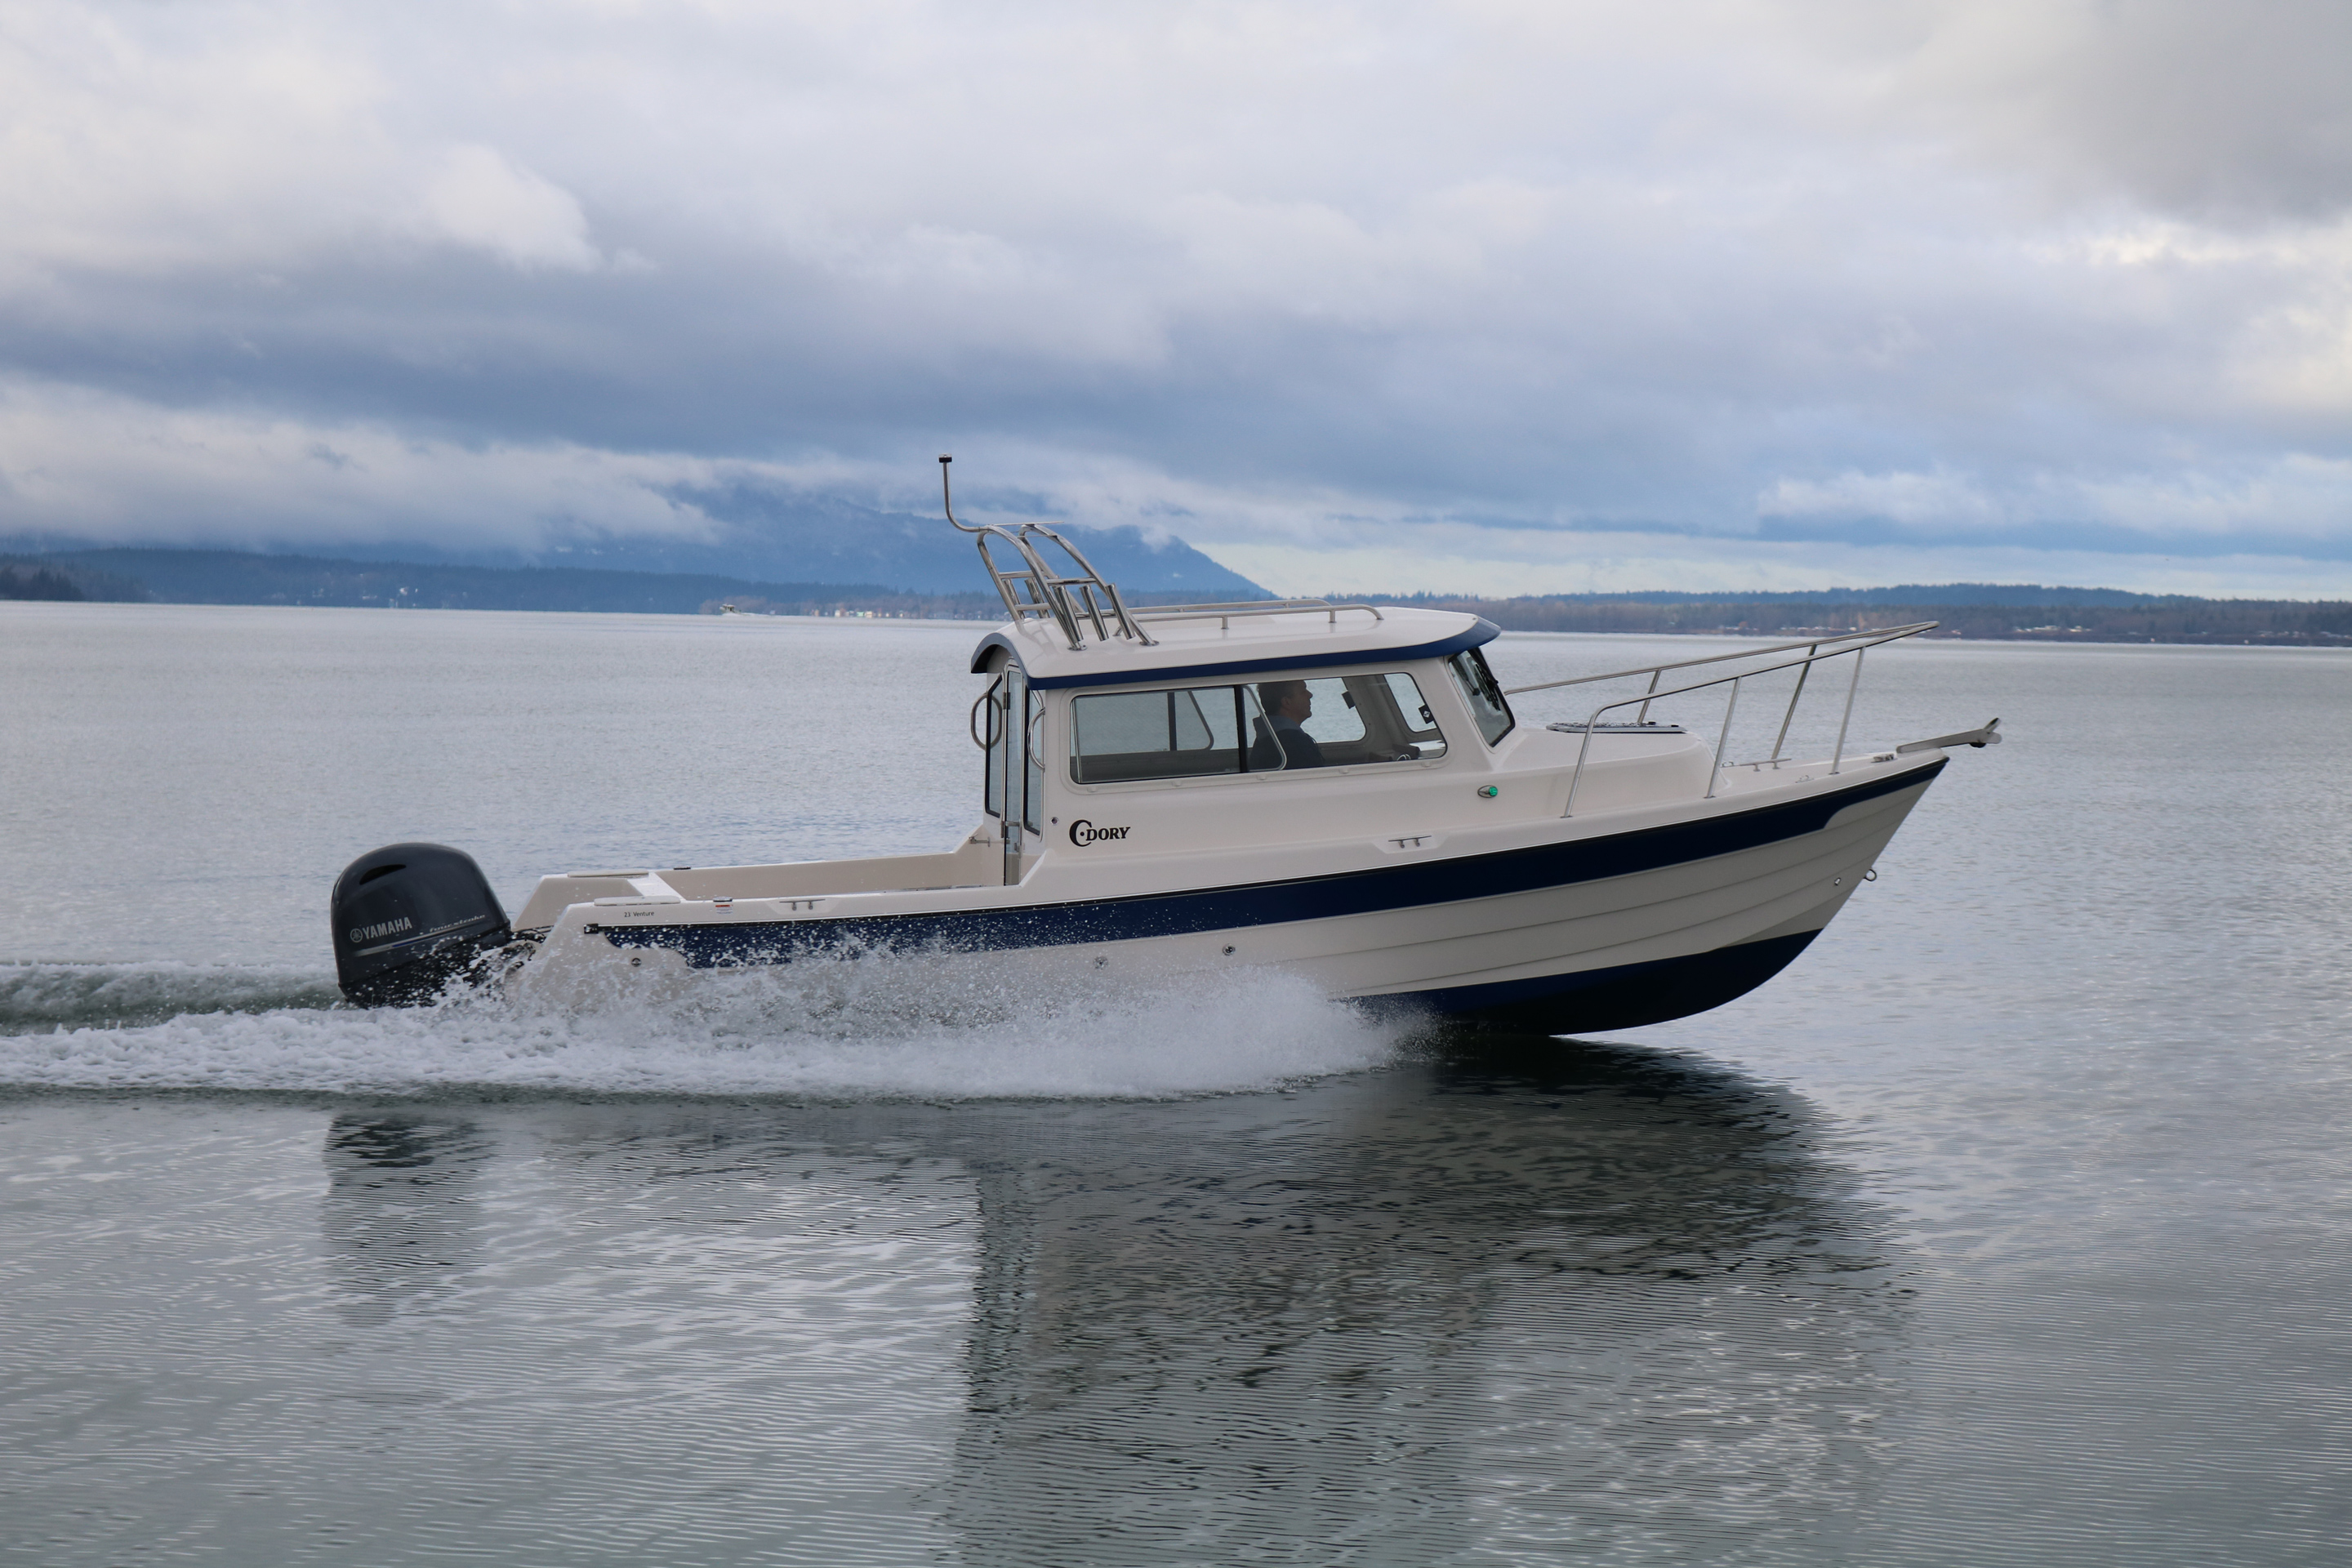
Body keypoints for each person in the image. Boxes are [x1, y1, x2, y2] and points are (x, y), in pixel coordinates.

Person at [1252, 679, 1325, 768]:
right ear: (1287, 702)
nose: (1310, 695)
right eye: (1303, 691)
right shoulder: (1295, 744)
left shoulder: (1267, 738)